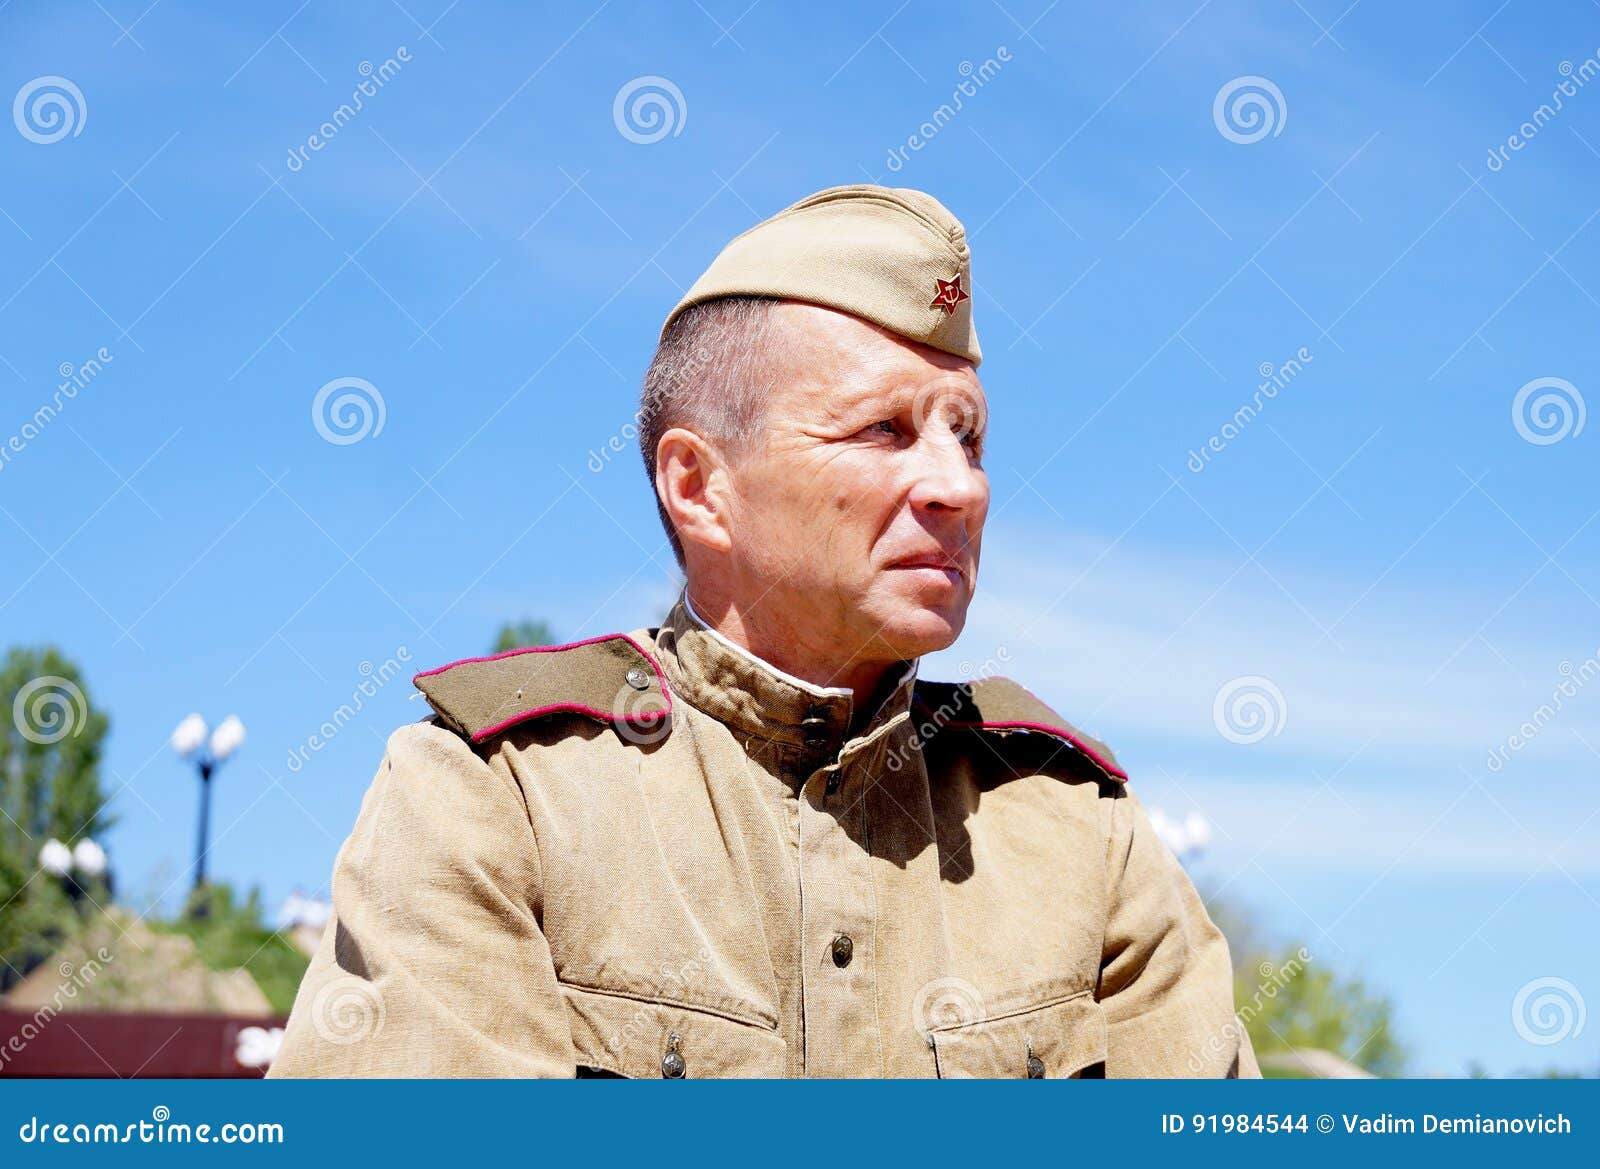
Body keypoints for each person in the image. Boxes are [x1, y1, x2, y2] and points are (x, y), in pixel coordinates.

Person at [269, 184, 1259, 1078]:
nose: (959, 486)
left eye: (971, 438)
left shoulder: (1071, 826)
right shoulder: (502, 795)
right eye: (882, 430)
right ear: (698, 486)